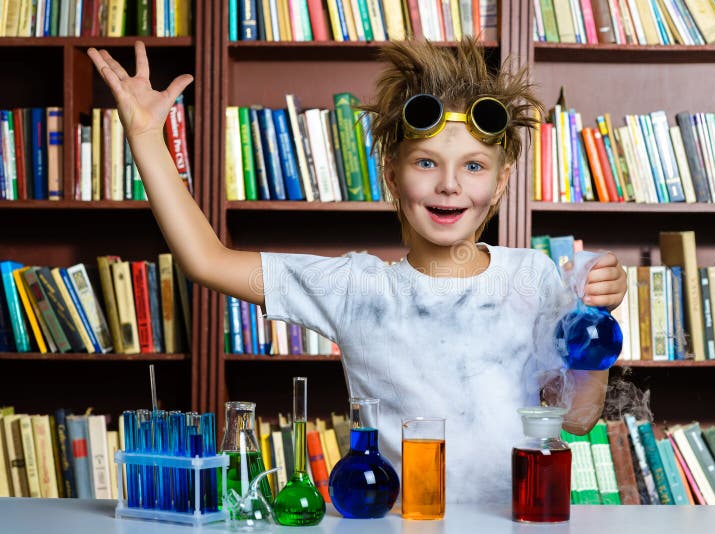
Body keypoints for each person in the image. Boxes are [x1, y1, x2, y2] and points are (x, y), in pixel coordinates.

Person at [88, 37, 626, 504]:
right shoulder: (356, 289)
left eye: (473, 166)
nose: (449, 185)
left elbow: (578, 418)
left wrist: (593, 320)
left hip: (520, 522)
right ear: (392, 175)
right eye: (425, 162)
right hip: (399, 525)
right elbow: (206, 261)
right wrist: (145, 138)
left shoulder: (531, 277)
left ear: (501, 183)